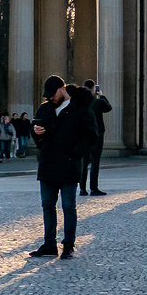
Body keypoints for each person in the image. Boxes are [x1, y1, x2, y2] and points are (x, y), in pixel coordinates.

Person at [31, 76, 94, 260]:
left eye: (53, 94)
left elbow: (91, 136)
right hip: (48, 165)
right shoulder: (45, 108)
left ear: (63, 89)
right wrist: (35, 132)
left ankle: (68, 244)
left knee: (68, 207)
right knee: (48, 206)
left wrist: (74, 153)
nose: (50, 98)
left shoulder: (81, 109)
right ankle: (49, 244)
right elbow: (36, 129)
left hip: (68, 165)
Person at [79, 82, 112, 196]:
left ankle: (82, 188)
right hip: (97, 134)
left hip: (83, 136)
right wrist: (102, 95)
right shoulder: (98, 102)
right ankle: (94, 188)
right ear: (94, 89)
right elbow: (108, 107)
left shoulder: (80, 103)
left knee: (84, 162)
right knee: (95, 161)